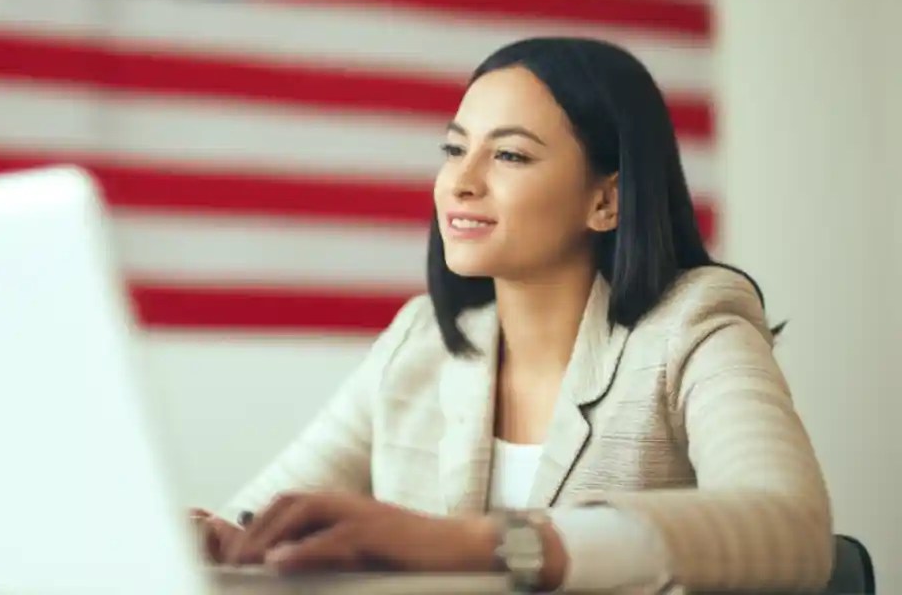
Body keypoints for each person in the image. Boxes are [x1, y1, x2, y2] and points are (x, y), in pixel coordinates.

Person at [191, 37, 833, 593]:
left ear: (607, 200)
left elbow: (794, 531)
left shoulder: (696, 326)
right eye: (453, 149)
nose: (460, 182)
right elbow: (262, 518)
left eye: (510, 155)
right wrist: (219, 543)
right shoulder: (421, 340)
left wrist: (479, 545)